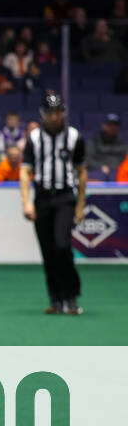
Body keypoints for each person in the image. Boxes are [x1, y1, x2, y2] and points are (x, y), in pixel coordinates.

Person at [20, 93, 87, 315]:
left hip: (65, 197)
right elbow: (25, 171)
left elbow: (82, 172)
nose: (54, 116)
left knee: (62, 246)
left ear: (63, 113)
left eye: (58, 112)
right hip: (42, 198)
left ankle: (71, 295)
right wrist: (26, 203)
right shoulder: (35, 138)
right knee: (48, 251)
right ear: (43, 114)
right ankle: (56, 298)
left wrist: (79, 205)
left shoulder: (74, 137)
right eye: (50, 113)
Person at [85, 113, 127, 180]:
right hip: (96, 173)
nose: (112, 127)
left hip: (117, 175)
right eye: (109, 124)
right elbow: (88, 159)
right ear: (103, 125)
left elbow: (125, 161)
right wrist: (100, 167)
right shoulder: (93, 142)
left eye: (115, 125)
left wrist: (113, 168)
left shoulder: (122, 144)